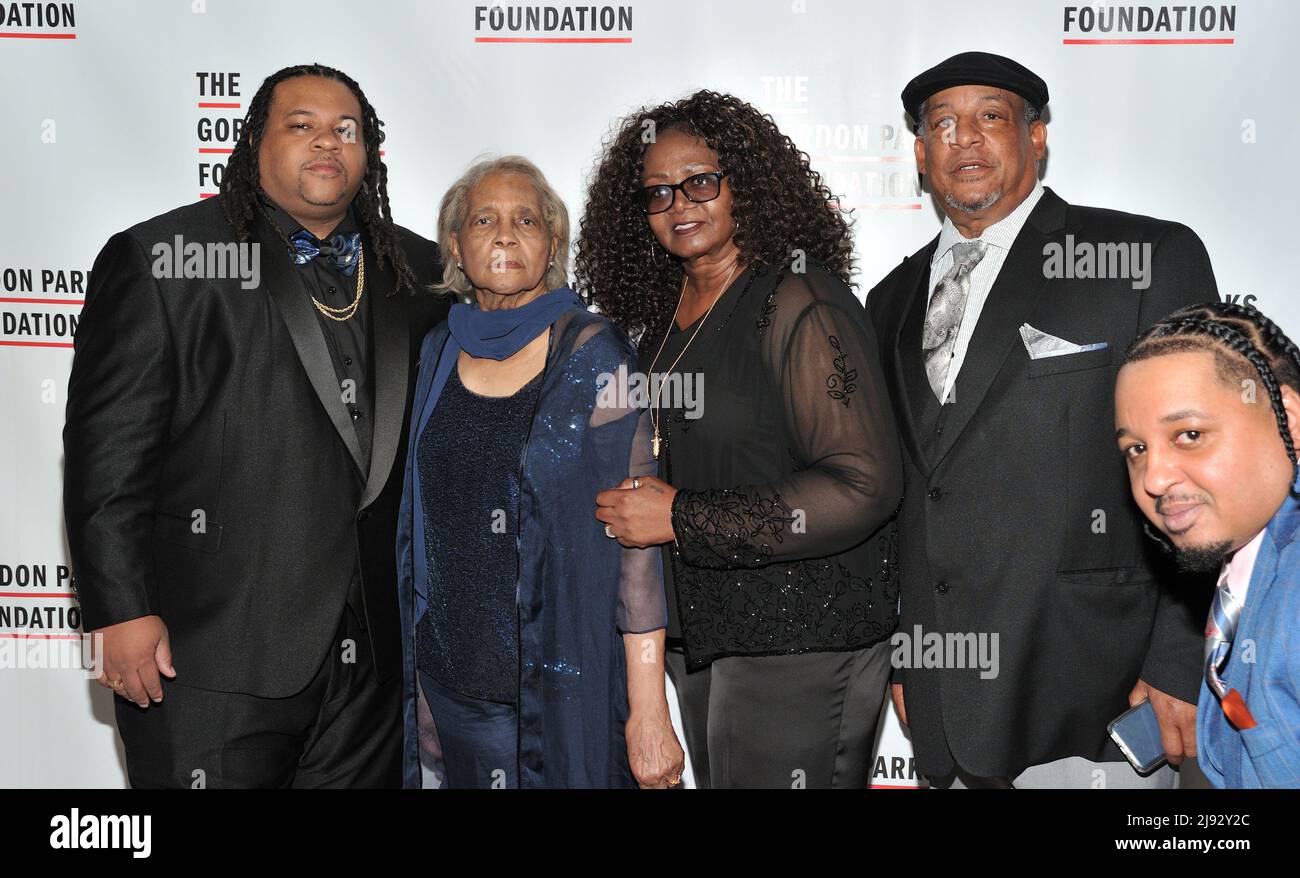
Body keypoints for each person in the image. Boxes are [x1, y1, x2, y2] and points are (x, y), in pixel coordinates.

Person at [63, 64, 446, 787]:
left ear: (369, 153)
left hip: (373, 668)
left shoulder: (420, 271)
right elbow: (105, 455)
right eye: (300, 125)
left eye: (346, 129)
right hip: (208, 655)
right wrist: (118, 611)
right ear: (253, 144)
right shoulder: (166, 260)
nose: (326, 142)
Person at [865, 51, 1219, 788]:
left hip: (1099, 688)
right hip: (942, 701)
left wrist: (1181, 660)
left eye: (990, 117)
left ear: (1037, 137)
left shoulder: (1140, 258)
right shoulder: (889, 301)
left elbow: (1203, 469)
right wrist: (908, 655)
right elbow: (907, 497)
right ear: (923, 154)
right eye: (943, 124)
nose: (966, 139)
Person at [577, 90, 904, 789]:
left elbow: (864, 483)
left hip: (800, 636)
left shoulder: (796, 300)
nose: (680, 204)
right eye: (657, 193)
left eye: (700, 181)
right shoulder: (663, 315)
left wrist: (680, 516)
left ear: (745, 187)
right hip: (707, 633)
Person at [395, 156, 683, 789]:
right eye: (484, 220)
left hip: (556, 696)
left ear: (552, 243)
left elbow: (637, 546)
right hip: (448, 686)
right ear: (455, 244)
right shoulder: (438, 348)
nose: (505, 234)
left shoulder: (596, 354)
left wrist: (648, 710)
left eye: (526, 218)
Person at [1116, 302, 1300, 788]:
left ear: (1291, 420)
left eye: (1190, 435)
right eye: (1136, 449)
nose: (1152, 478)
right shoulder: (1251, 561)